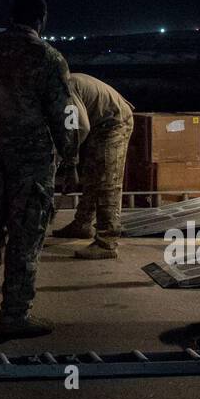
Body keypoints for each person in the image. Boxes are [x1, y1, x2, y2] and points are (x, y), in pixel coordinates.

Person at [0, 0, 77, 336]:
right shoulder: (48, 58)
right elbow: (63, 116)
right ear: (40, 20)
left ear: (11, 16)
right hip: (32, 164)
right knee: (25, 237)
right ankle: (14, 316)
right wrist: (69, 159)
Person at [51, 73, 135, 259]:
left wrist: (70, 163)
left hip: (114, 123)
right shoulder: (55, 88)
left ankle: (107, 242)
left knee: (107, 181)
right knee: (91, 176)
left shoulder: (64, 90)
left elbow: (79, 127)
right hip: (99, 124)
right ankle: (82, 224)